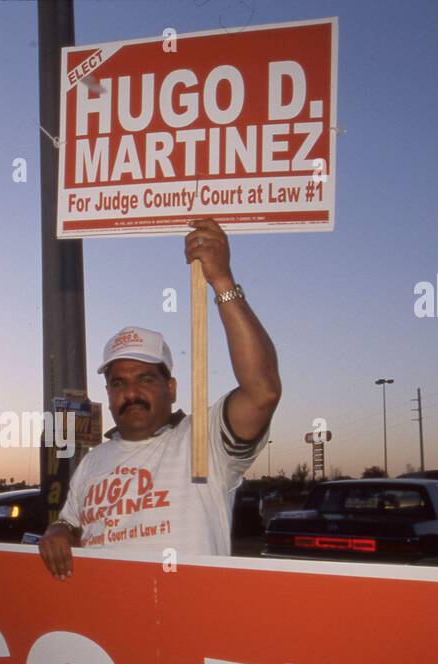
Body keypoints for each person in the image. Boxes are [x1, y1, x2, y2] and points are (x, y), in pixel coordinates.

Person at [39, 218, 280, 579]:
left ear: (171, 388)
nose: (130, 393)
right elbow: (72, 523)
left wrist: (223, 282)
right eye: (118, 383)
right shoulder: (93, 462)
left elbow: (263, 391)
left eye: (145, 378)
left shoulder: (203, 441)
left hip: (189, 624)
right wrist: (60, 531)